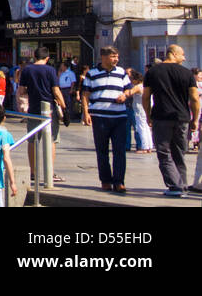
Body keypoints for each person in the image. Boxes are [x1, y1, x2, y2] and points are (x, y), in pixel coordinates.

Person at [142, 44, 201, 197]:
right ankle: (181, 184)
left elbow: (146, 96)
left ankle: (176, 186)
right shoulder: (186, 73)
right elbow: (194, 98)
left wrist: (148, 115)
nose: (184, 58)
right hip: (182, 118)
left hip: (161, 117)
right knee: (179, 152)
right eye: (182, 55)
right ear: (173, 54)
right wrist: (195, 118)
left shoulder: (153, 71)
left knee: (164, 152)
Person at [81, 46, 131, 194]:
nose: (116, 59)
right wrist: (86, 113)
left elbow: (128, 89)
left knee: (120, 150)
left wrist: (126, 95)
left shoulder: (122, 73)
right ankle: (105, 180)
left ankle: (119, 181)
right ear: (103, 57)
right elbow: (85, 95)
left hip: (119, 117)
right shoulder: (92, 74)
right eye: (113, 56)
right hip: (100, 117)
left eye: (117, 56)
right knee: (102, 150)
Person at [18, 46, 65, 184]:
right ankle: (49, 172)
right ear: (47, 58)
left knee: (32, 140)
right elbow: (55, 91)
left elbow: (21, 90)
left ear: (34, 56)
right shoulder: (50, 70)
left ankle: (33, 172)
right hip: (49, 109)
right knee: (51, 140)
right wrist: (64, 106)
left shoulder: (27, 70)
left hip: (33, 109)